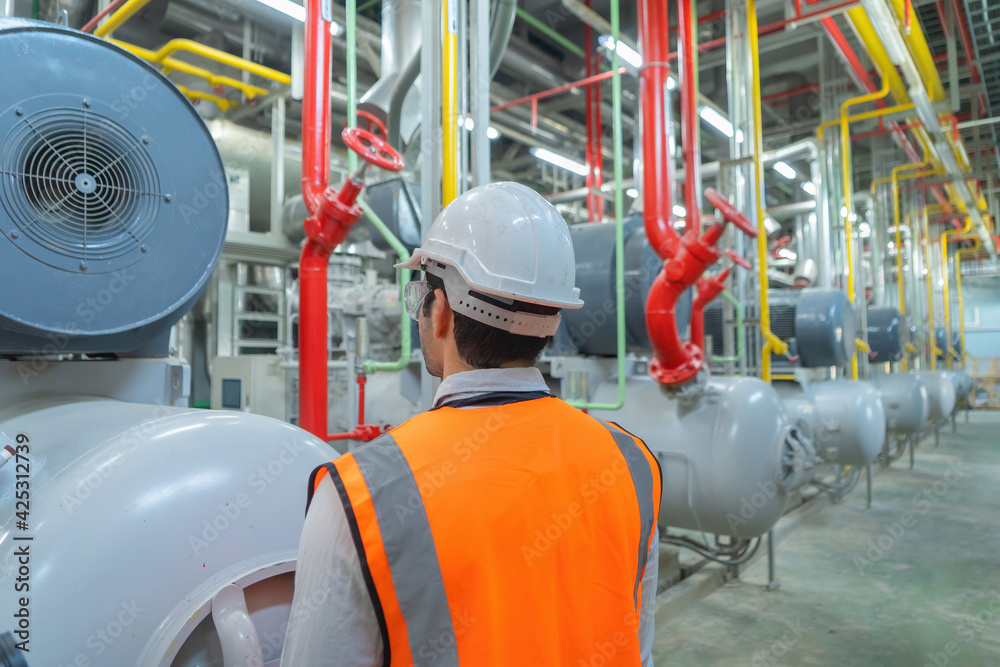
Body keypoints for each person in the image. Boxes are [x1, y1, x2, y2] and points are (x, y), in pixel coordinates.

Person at [281, 181, 661, 666]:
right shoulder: (633, 465)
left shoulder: (359, 494)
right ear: (554, 319)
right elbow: (639, 646)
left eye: (422, 295)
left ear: (439, 312)